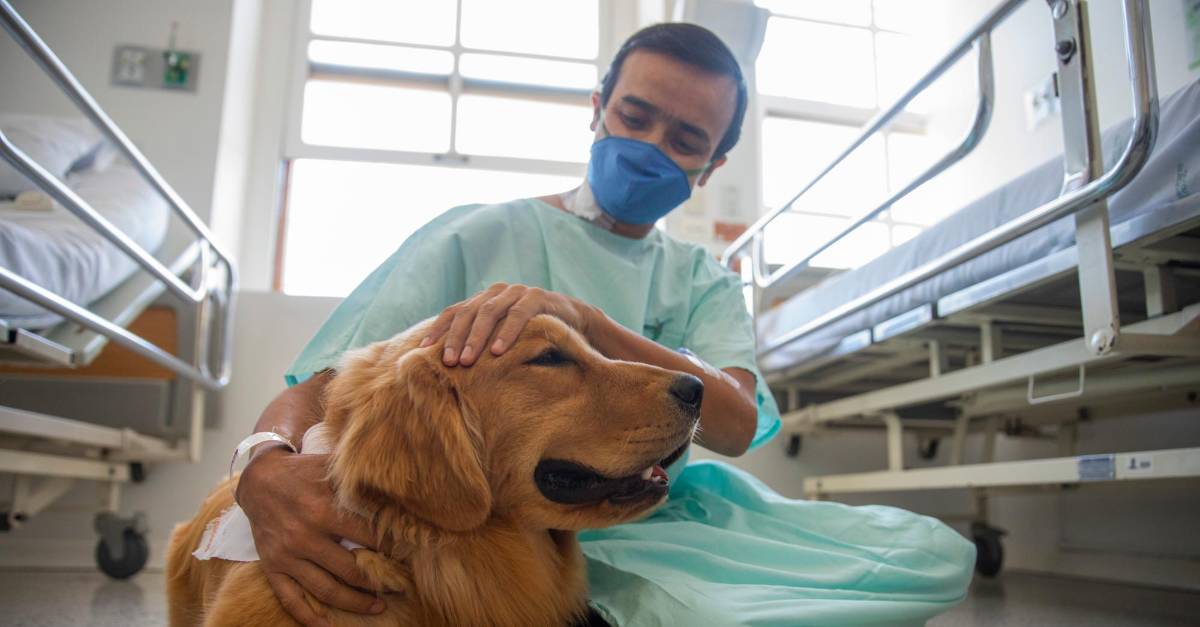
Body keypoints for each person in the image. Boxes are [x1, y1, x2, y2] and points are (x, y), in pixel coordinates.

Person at [235, 23, 973, 627]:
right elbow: (323, 387)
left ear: (710, 165)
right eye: (635, 115)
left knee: (927, 555)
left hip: (671, 513)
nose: (651, 145)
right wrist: (260, 467)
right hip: (522, 528)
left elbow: (735, 423)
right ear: (598, 108)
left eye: (685, 140)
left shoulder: (702, 279)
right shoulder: (474, 237)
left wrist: (584, 321)